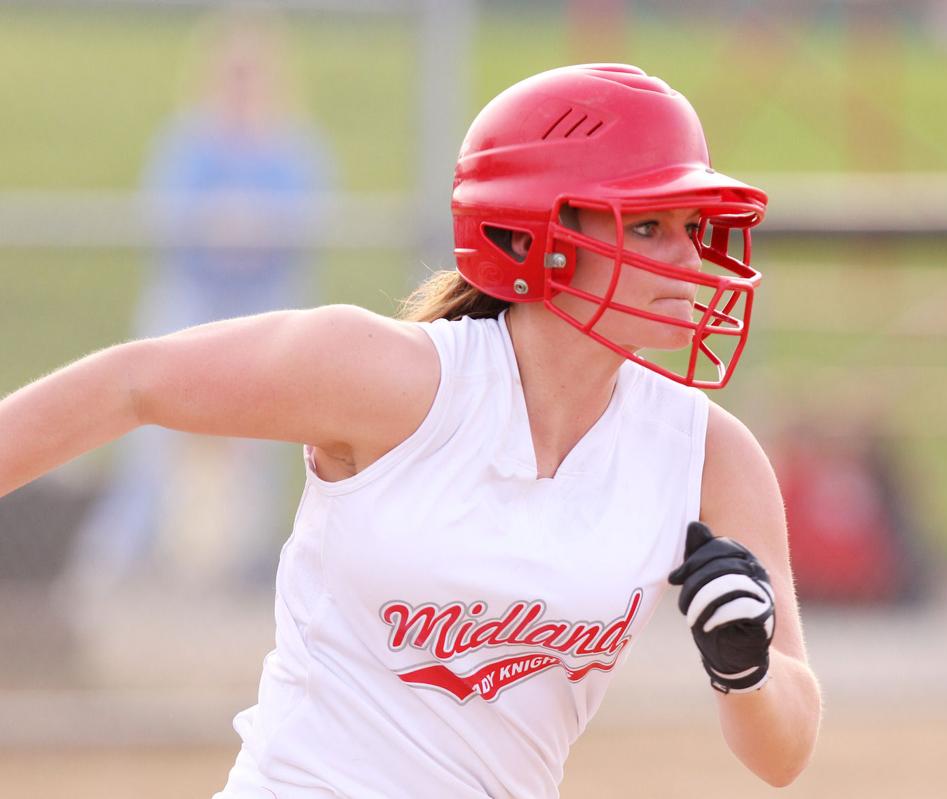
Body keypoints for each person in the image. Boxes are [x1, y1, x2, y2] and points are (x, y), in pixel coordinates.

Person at [0, 64, 821, 797]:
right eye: (647, 226)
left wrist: (745, 669)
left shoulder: (707, 455)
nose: (689, 260)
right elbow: (132, 384)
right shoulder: (399, 380)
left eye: (691, 227)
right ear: (530, 234)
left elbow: (785, 752)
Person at [67, 11, 332, 591]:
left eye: (251, 74)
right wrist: (222, 226)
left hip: (262, 300)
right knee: (149, 422)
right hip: (194, 294)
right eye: (231, 73)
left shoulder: (291, 147)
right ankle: (120, 552)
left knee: (270, 425)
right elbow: (170, 227)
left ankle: (260, 556)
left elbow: (302, 232)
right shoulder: (187, 143)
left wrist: (250, 228)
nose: (241, 86)